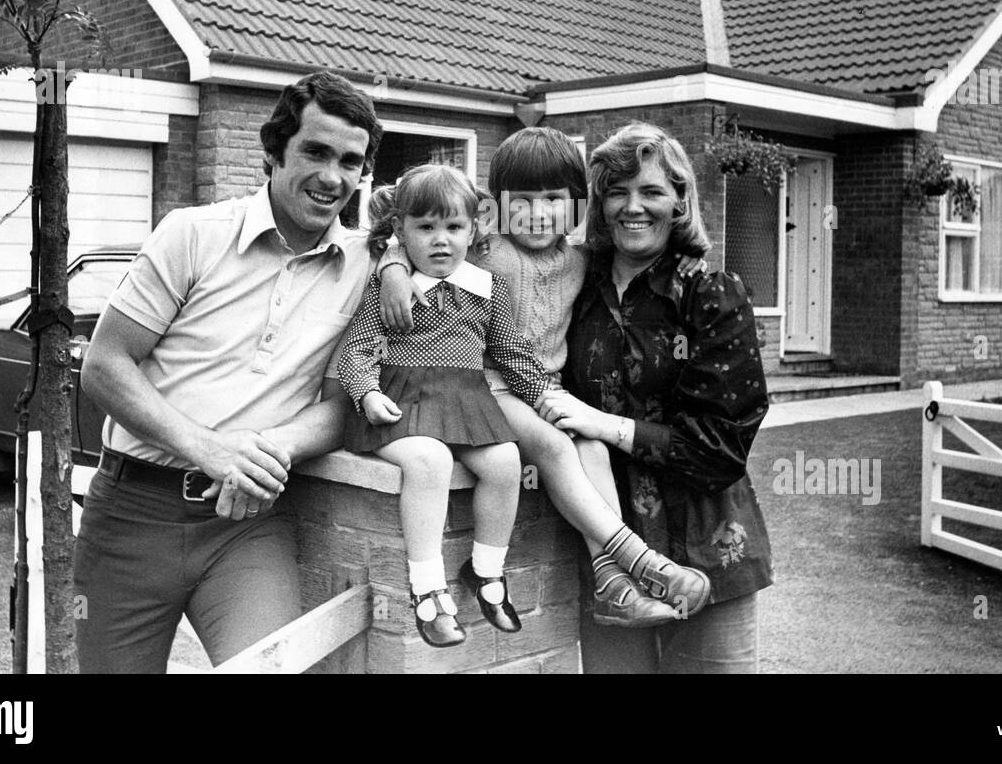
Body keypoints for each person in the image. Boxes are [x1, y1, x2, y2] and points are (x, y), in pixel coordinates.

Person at [76, 70, 382, 673]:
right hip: (132, 513)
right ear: (272, 151)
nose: (332, 177)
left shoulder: (368, 266)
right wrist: (211, 450)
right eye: (315, 152)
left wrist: (269, 450)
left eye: (351, 162)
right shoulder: (191, 234)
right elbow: (105, 366)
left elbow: (346, 401)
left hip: (249, 524)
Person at [377, 127, 715, 627]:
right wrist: (392, 268)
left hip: (545, 396)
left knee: (593, 447)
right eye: (523, 200)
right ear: (494, 208)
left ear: (579, 207)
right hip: (484, 387)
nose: (537, 212)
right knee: (557, 447)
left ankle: (610, 583)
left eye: (555, 200)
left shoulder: (582, 261)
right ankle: (642, 561)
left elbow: (645, 245)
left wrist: (690, 252)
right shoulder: (485, 251)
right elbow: (419, 229)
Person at [537, 122, 772, 673]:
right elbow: (456, 245)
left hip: (708, 549)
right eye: (616, 192)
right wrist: (400, 265)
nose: (632, 207)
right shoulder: (573, 283)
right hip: (609, 558)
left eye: (651, 191)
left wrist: (601, 423)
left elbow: (719, 449)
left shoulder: (711, 293)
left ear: (680, 199)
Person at [335, 164, 543, 647]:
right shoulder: (391, 286)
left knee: (506, 460)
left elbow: (512, 354)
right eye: (425, 227)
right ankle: (426, 587)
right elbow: (359, 350)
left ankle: (487, 573)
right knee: (429, 461)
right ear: (401, 232)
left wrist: (547, 399)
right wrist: (367, 393)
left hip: (466, 401)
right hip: (401, 402)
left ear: (473, 229)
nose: (441, 240)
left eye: (453, 227)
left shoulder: (486, 289)